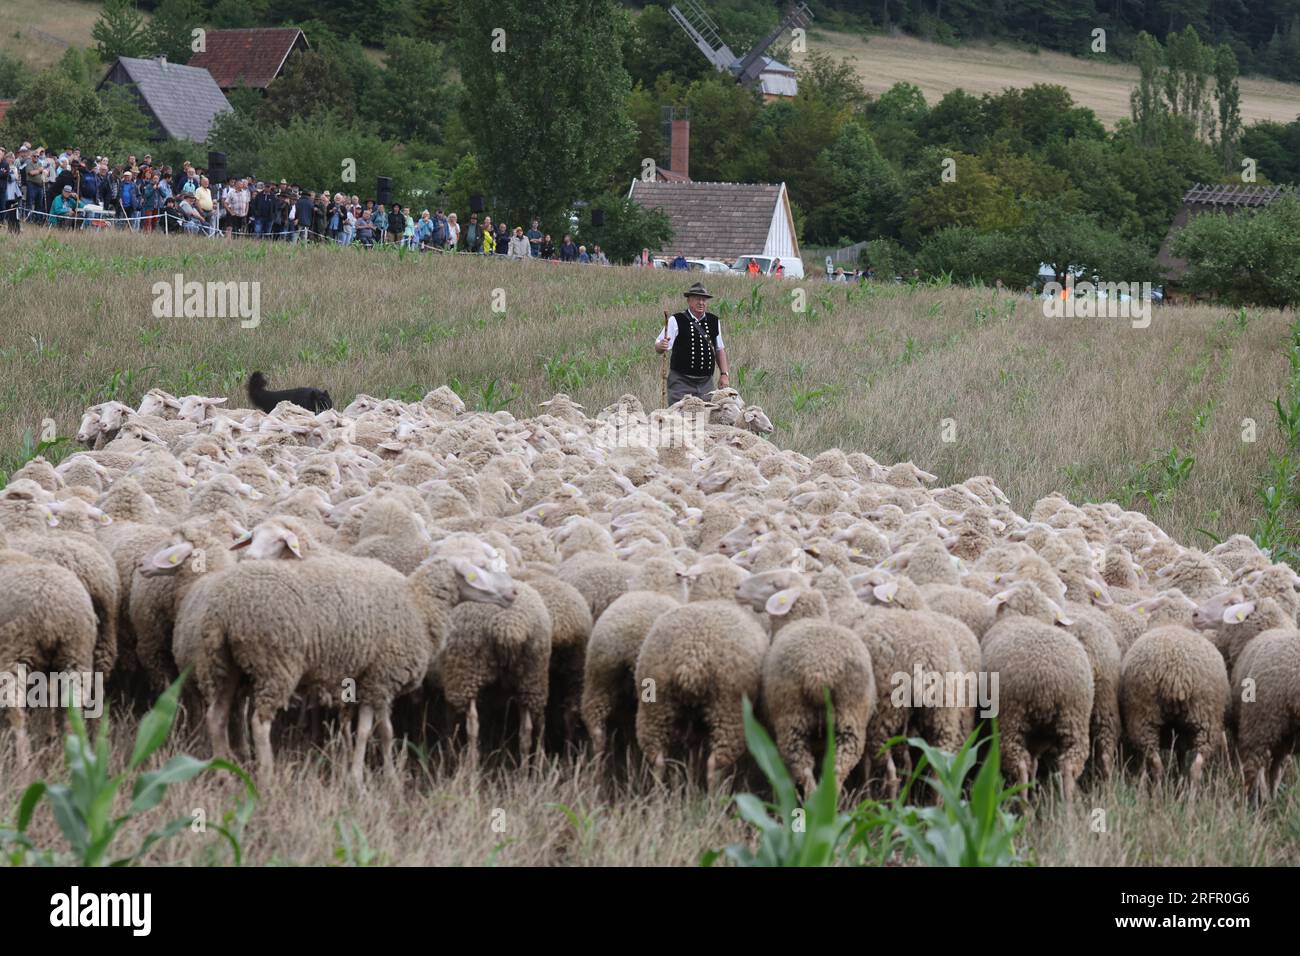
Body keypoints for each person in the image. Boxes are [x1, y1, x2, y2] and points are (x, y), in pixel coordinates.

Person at [654, 281, 730, 405]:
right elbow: (658, 345)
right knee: (680, 420)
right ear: (689, 300)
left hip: (706, 383)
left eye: (704, 300)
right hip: (681, 382)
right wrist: (661, 346)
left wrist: (724, 374)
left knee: (704, 420)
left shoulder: (714, 321)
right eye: (697, 299)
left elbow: (719, 349)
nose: (701, 303)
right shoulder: (676, 320)